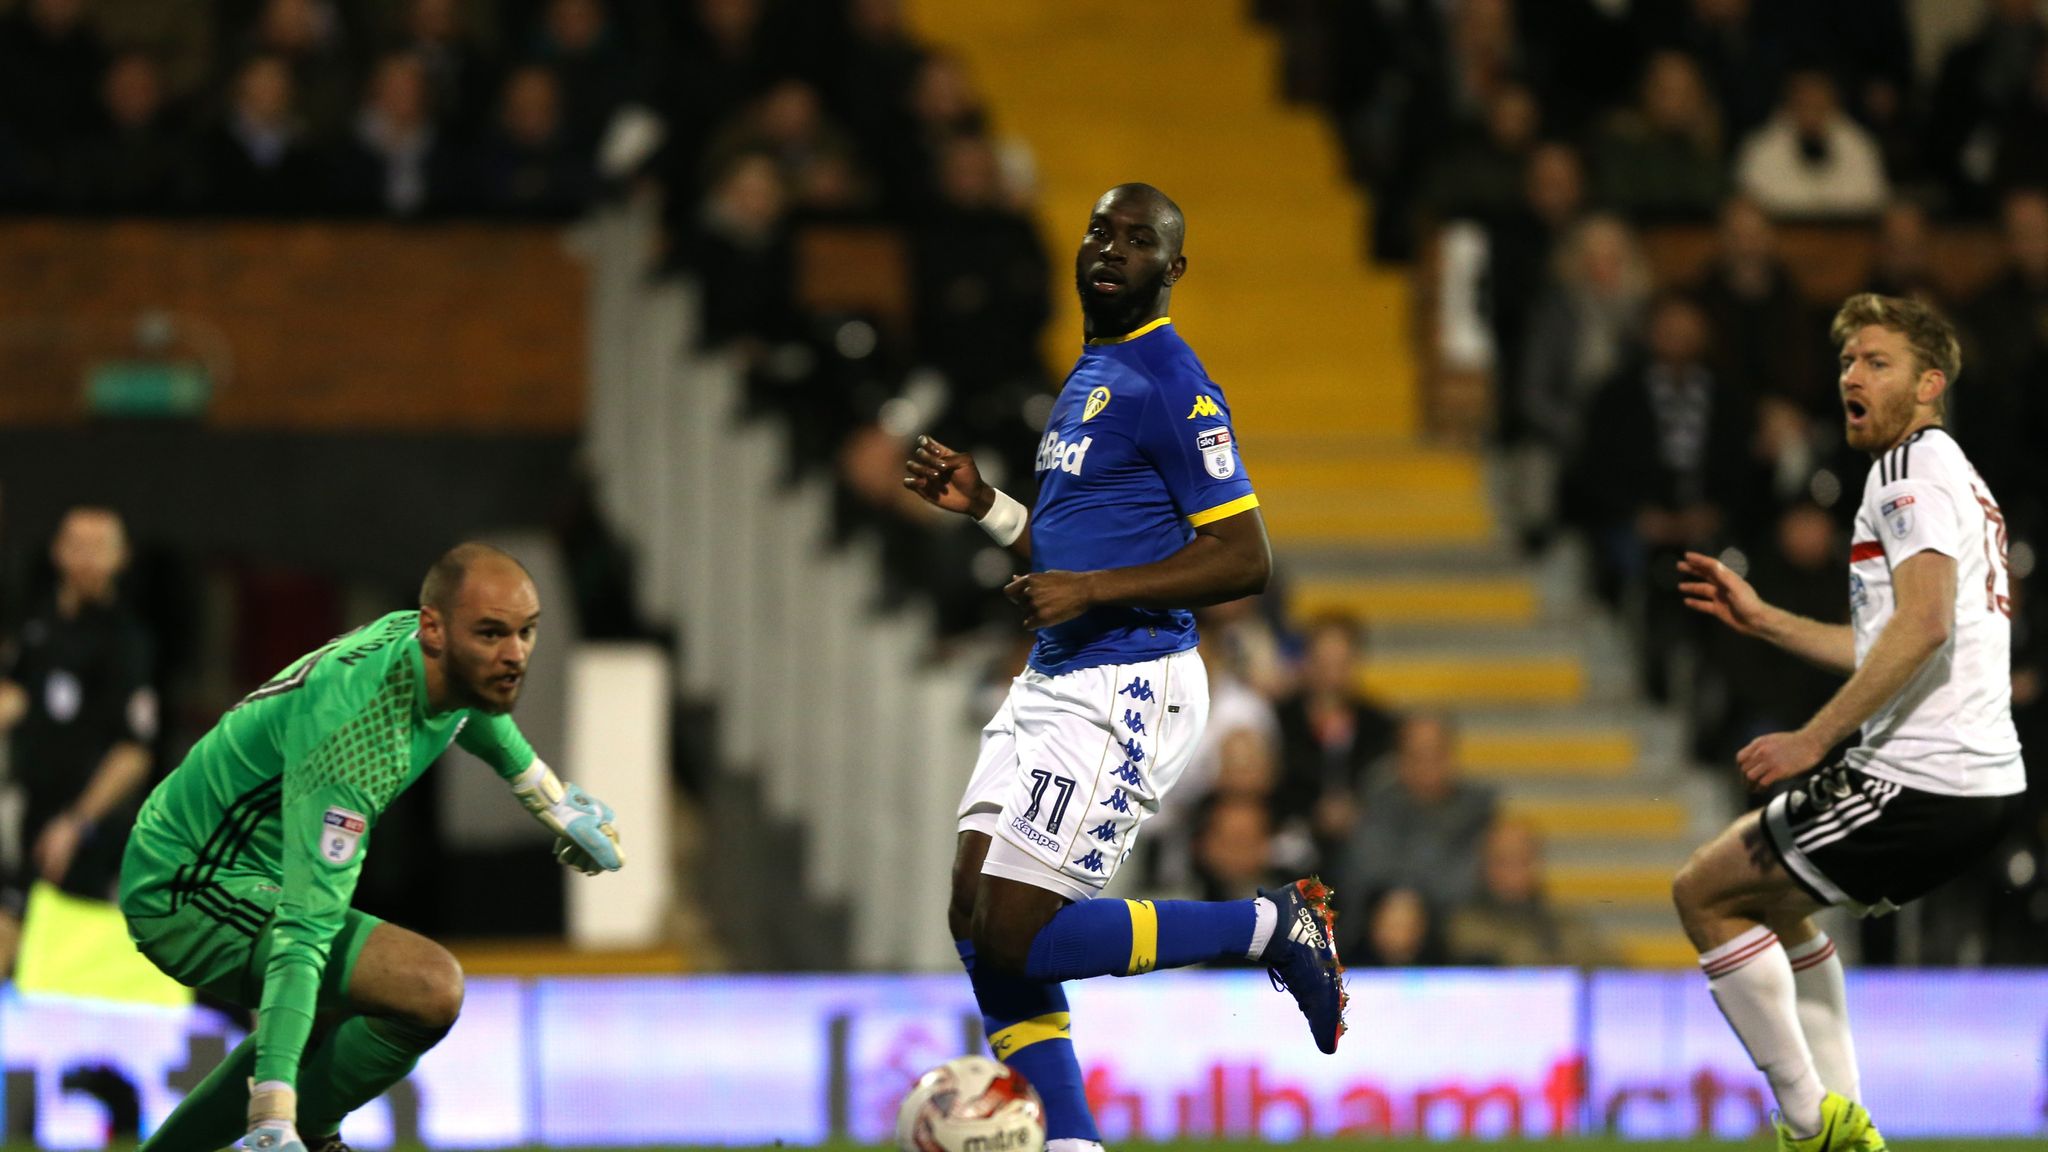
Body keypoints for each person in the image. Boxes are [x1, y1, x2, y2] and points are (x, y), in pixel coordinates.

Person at [902, 183, 1344, 1152]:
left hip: (1125, 680)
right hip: (1059, 672)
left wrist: (1094, 591)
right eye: (1100, 231)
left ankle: (1268, 927)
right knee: (973, 917)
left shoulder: (1169, 382)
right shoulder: (1090, 376)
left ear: (1170, 270)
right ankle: (1067, 1142)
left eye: (1138, 240)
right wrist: (988, 507)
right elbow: (1071, 548)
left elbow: (1243, 557)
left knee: (1022, 931)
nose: (1111, 249)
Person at [118, 543, 625, 1152]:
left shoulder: (421, 648)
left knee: (362, 999)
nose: (514, 655)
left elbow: (474, 707)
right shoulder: (355, 741)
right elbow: (304, 933)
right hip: (187, 884)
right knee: (425, 986)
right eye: (492, 634)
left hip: (243, 864)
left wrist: (551, 799)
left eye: (527, 632)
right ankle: (292, 1125)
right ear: (435, 629)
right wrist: (273, 1108)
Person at [1672, 294, 2025, 1152]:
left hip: (1923, 778)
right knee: (1770, 912)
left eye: (1877, 362)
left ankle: (1810, 1124)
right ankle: (1841, 1124)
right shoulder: (1947, 473)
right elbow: (1889, 639)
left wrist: (1814, 738)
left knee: (1705, 895)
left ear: (1929, 383)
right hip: (1969, 782)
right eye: (1846, 364)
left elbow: (1926, 623)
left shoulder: (1907, 472)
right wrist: (1768, 622)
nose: (1852, 378)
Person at [0, 509, 155, 973]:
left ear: (121, 558)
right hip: (28, 814)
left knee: (66, 964)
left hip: (89, 832)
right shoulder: (38, 622)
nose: (85, 558)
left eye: (99, 547)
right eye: (76, 544)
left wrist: (77, 822)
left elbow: (133, 753)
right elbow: (17, 695)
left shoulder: (126, 643)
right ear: (57, 551)